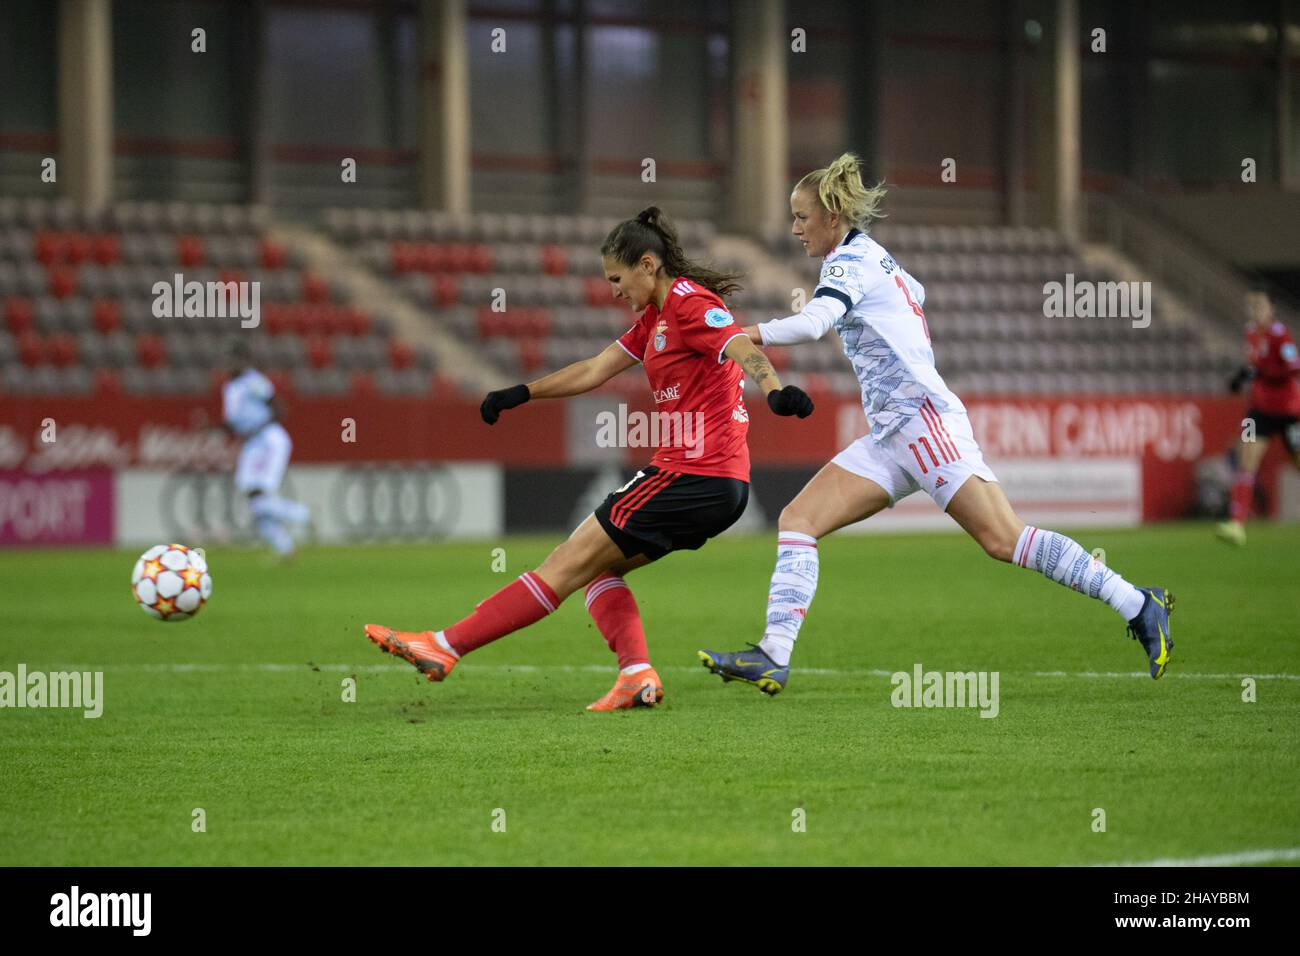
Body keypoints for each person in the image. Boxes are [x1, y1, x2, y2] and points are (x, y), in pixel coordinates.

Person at [698, 153, 1174, 694]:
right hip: (890, 437)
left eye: (802, 216)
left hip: (924, 425)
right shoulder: (875, 258)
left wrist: (744, 335)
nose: (794, 228)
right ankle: (772, 654)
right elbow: (913, 296)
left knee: (1003, 539)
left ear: (833, 217)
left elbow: (814, 323)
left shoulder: (847, 263)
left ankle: (1138, 602)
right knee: (798, 520)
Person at [364, 207, 814, 711]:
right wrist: (521, 393)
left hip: (691, 473)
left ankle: (443, 646)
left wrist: (774, 390)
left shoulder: (689, 303)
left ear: (648, 265)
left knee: (564, 564)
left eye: (617, 278)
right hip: (714, 485)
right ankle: (636, 675)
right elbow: (595, 369)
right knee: (597, 572)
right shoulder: (654, 321)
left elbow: (736, 343)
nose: (614, 290)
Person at [1216, 289, 1300, 546]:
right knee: (1246, 461)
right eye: (1252, 306)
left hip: (1288, 412)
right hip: (1258, 412)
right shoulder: (1250, 333)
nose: (1255, 311)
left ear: (1271, 309)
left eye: (1260, 306)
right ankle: (1236, 523)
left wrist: (1262, 372)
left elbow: (1293, 367)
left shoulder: (1280, 335)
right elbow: (1253, 365)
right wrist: (1241, 377)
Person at [220, 339, 311, 558]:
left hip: (268, 440)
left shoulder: (254, 381)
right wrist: (211, 428)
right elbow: (233, 424)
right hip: (251, 444)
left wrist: (255, 429)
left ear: (244, 360)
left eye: (236, 359)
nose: (232, 364)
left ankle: (303, 515)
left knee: (260, 494)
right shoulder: (230, 388)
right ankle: (286, 549)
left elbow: (279, 409)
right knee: (253, 498)